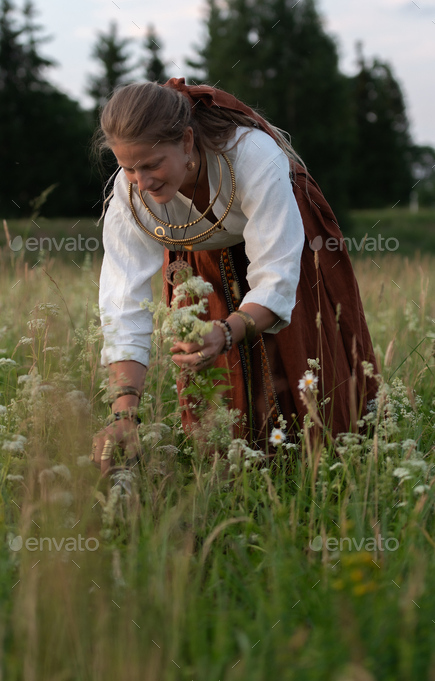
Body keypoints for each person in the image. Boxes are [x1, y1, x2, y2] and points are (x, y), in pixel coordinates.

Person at [90, 77, 378, 475]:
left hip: (287, 241)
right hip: (198, 255)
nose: (143, 181)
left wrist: (226, 331)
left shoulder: (252, 154)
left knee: (301, 367)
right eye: (129, 168)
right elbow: (124, 303)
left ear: (187, 142)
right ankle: (234, 472)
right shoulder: (130, 197)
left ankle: (324, 470)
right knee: (213, 382)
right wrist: (124, 413)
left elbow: (277, 277)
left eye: (153, 164)